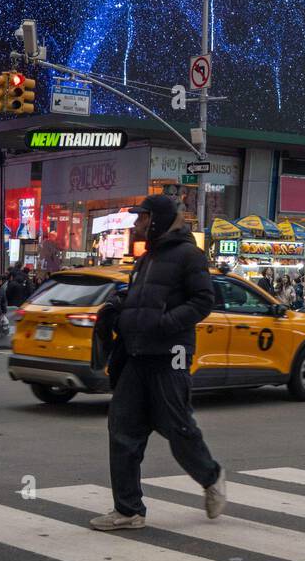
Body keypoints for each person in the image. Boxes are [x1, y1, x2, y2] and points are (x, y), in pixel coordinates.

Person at [90, 195, 225, 531]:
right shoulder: (146, 259)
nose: (136, 224)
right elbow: (139, 300)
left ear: (157, 220)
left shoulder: (189, 256)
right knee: (122, 429)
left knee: (178, 428)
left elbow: (203, 301)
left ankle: (211, 476)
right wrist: (119, 312)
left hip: (170, 355)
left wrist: (165, 325)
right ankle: (128, 510)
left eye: (141, 218)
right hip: (137, 354)